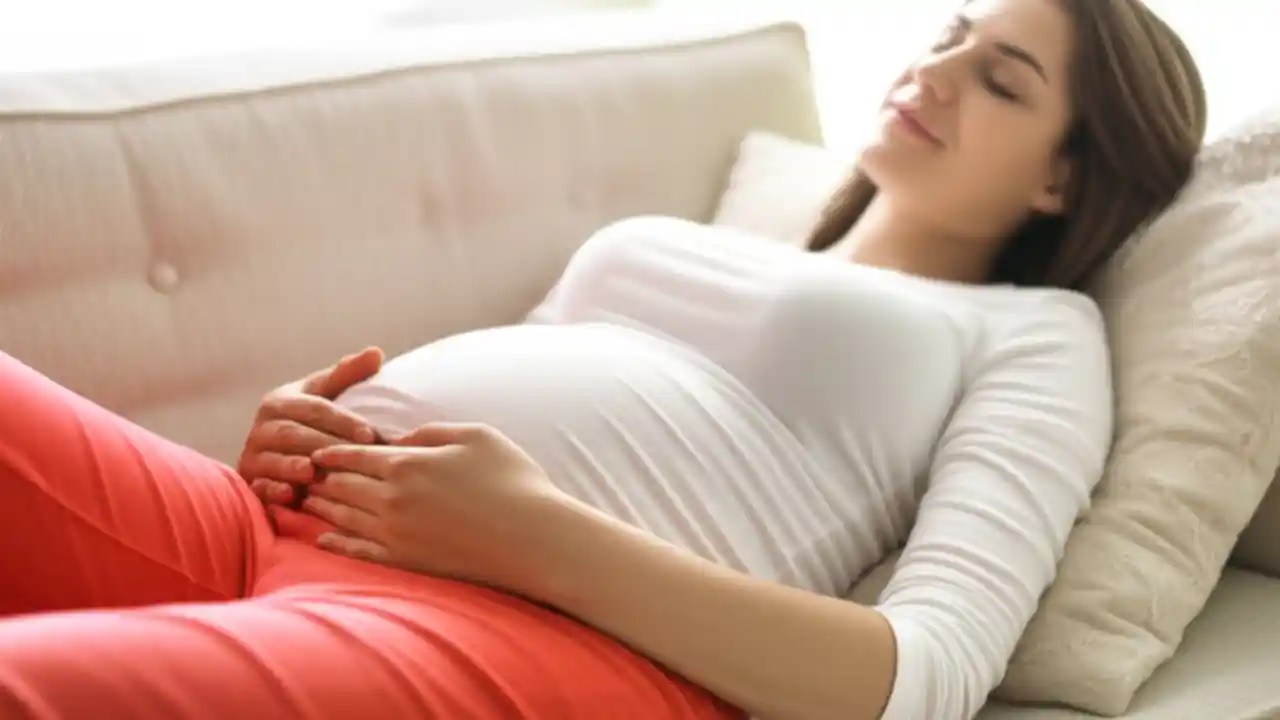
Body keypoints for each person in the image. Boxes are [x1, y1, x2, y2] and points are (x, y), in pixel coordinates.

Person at [0, 0, 1206, 717]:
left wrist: (533, 535)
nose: (932, 71)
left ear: (1062, 175)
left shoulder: (1036, 336)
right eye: (950, 34)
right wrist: (298, 438)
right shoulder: (720, 240)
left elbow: (919, 679)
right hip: (273, 524)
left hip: (529, 639)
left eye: (1000, 80)